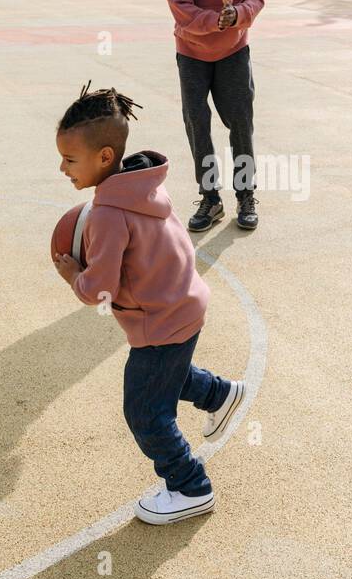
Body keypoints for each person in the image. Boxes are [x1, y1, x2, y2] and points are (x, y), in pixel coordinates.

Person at [52, 84, 246, 525]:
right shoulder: (142, 186)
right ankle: (219, 394)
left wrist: (73, 278)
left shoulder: (107, 213)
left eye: (70, 159)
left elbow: (98, 290)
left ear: (104, 157)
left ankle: (190, 486)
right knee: (166, 377)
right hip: (184, 304)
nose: (62, 168)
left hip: (159, 322)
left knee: (144, 408)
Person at [162, 0, 268, 233]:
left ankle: (245, 195)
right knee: (198, 125)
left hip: (234, 49)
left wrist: (237, 15)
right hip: (190, 50)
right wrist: (213, 20)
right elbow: (177, 1)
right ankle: (210, 199)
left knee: (240, 124)